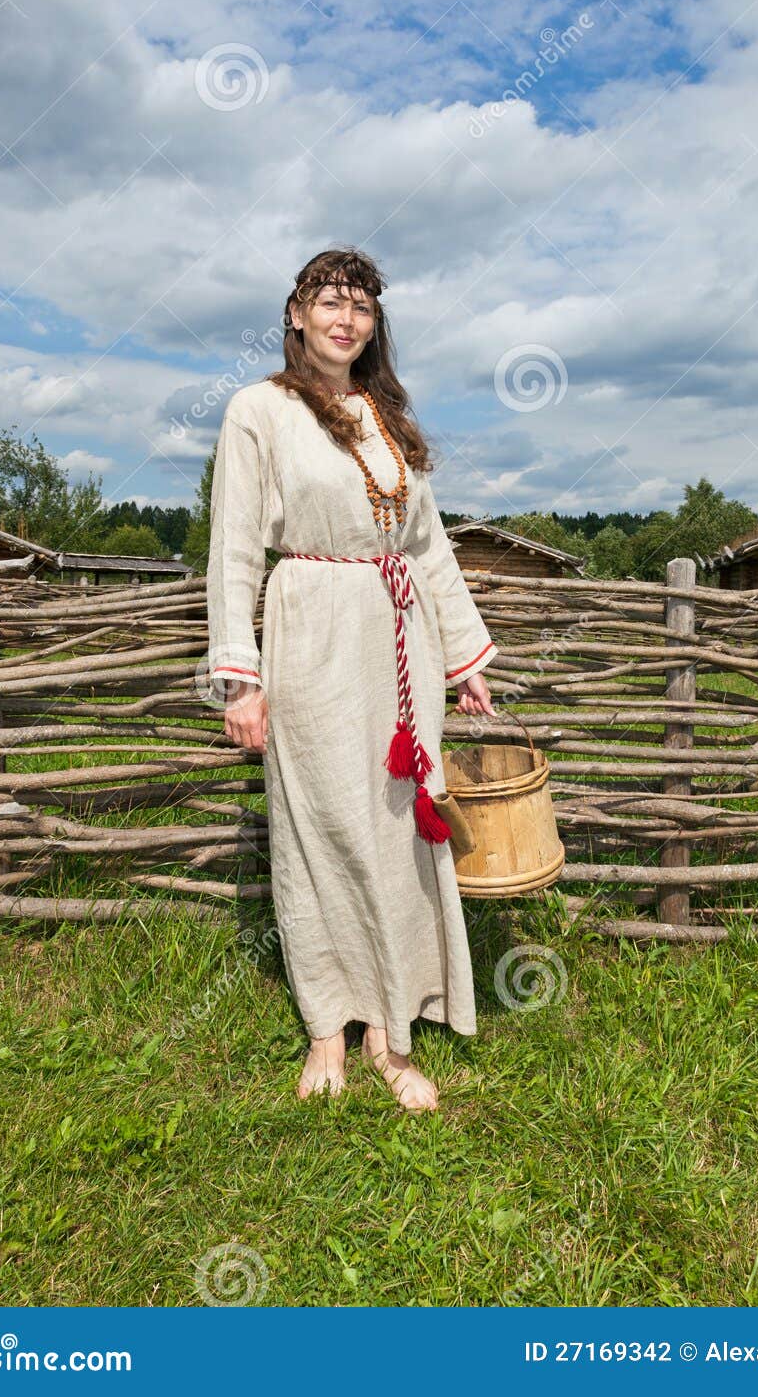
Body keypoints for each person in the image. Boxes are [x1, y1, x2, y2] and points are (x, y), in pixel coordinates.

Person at [206, 246, 497, 1112]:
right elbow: (231, 548)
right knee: (319, 826)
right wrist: (240, 678)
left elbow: (427, 548)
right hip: (312, 628)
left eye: (360, 308)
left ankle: (391, 1031)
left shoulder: (385, 416)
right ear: (296, 314)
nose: (345, 319)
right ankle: (327, 1023)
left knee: (398, 826)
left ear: (374, 325)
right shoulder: (258, 410)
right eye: (328, 303)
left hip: (398, 636)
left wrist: (463, 658)